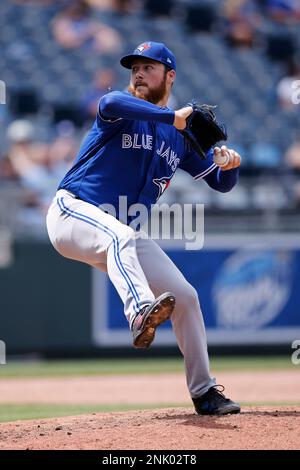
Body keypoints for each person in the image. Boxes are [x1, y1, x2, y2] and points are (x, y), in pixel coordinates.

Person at [46, 41, 242, 415]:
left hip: (118, 232)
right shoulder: (122, 110)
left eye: (148, 67)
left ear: (170, 76)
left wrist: (230, 167)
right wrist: (174, 118)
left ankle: (205, 393)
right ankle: (138, 311)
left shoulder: (180, 139)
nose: (138, 72)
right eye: (134, 66)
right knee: (120, 237)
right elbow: (109, 104)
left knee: (184, 296)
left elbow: (219, 184)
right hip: (72, 213)